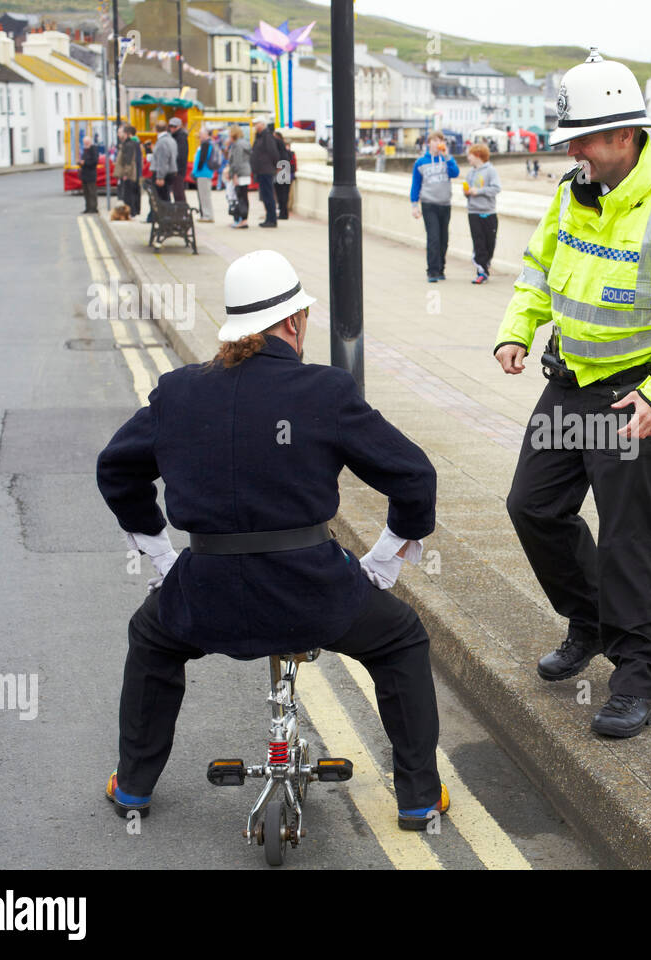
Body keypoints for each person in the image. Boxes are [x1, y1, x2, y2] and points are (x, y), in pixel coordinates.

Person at [96, 250, 450, 830]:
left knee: (152, 639)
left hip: (206, 594)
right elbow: (413, 475)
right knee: (402, 639)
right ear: (293, 323)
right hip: (313, 593)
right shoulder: (326, 390)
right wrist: (385, 558)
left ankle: (132, 786)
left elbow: (115, 469)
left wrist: (161, 555)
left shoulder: (178, 392)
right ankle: (417, 798)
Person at [494, 49, 651, 738]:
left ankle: (634, 677)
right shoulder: (573, 191)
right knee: (531, 507)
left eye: (585, 138)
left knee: (628, 539)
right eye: (570, 138)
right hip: (569, 386)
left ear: (626, 136)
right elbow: (538, 271)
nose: (573, 150)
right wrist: (518, 330)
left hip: (633, 397)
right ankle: (589, 622)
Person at [409, 131, 459, 282]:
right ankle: (432, 271)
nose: (438, 143)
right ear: (428, 143)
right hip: (429, 204)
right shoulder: (420, 163)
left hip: (445, 203)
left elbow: (455, 173)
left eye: (440, 140)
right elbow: (415, 185)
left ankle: (441, 268)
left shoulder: (447, 160)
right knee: (433, 237)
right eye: (435, 140)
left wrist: (447, 157)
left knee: (444, 238)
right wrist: (414, 205)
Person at [463, 143, 500, 284]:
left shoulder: (490, 171)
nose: (468, 158)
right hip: (473, 212)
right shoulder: (470, 173)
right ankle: (481, 271)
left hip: (489, 212)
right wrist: (467, 193)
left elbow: (496, 188)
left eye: (469, 155)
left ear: (478, 155)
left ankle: (486, 264)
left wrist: (478, 191)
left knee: (490, 242)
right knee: (478, 243)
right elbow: (467, 191)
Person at [251, 117, 280, 228]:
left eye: (257, 123)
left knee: (268, 195)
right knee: (265, 195)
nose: (255, 126)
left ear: (263, 124)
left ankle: (272, 219)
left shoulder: (267, 136)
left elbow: (273, 152)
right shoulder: (260, 137)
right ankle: (269, 218)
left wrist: (275, 165)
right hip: (261, 170)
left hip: (266, 170)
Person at [190, 127, 218, 223]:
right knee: (205, 195)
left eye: (201, 133)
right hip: (206, 173)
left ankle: (207, 215)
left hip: (203, 173)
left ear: (206, 134)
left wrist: (196, 171)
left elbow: (202, 159)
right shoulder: (209, 143)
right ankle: (207, 214)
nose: (199, 135)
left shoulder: (205, 144)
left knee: (204, 195)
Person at [115, 124, 143, 217]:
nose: (118, 135)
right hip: (129, 174)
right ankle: (131, 212)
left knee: (129, 195)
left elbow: (129, 161)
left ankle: (131, 212)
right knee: (128, 194)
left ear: (126, 134)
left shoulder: (129, 144)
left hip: (129, 174)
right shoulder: (127, 144)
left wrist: (126, 174)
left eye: (120, 132)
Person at [226, 125, 251, 229]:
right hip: (245, 172)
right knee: (243, 196)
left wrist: (234, 175)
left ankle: (243, 220)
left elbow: (236, 161)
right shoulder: (245, 143)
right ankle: (243, 219)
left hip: (239, 174)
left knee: (240, 197)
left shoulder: (237, 145)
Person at [149, 121, 177, 211]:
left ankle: (164, 216)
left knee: (160, 197)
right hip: (170, 172)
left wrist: (160, 177)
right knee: (165, 196)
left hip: (162, 173)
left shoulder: (162, 142)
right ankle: (166, 216)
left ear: (156, 129)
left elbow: (163, 160)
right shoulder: (171, 140)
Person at [274, 130, 295, 220]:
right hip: (285, 171)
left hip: (282, 171)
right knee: (283, 193)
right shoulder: (285, 150)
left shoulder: (280, 148)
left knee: (282, 193)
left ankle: (283, 213)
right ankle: (284, 212)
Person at [168, 116, 189, 203]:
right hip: (176, 169)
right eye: (171, 126)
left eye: (174, 126)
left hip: (178, 170)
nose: (172, 128)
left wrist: (177, 169)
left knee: (178, 191)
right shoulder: (176, 136)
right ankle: (180, 209)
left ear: (179, 126)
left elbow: (181, 155)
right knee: (177, 191)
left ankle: (182, 211)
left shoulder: (181, 137)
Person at [79, 135, 99, 214]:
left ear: (90, 142)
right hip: (84, 174)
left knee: (92, 192)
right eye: (84, 142)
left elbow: (95, 162)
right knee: (86, 193)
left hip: (91, 174)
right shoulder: (85, 150)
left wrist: (85, 163)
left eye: (86, 142)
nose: (85, 144)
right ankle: (87, 208)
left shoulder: (93, 149)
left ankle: (93, 208)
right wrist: (80, 163)